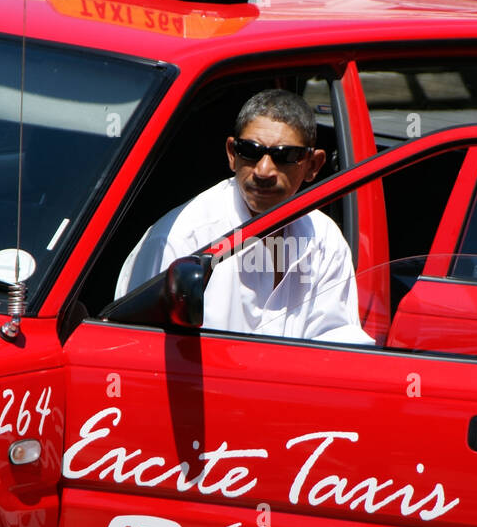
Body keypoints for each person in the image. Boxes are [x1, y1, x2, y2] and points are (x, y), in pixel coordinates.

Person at [115, 90, 373, 343]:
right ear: (231, 154)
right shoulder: (181, 239)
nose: (263, 170)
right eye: (250, 151)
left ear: (313, 165)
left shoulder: (325, 239)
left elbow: (337, 343)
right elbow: (136, 349)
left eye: (284, 156)